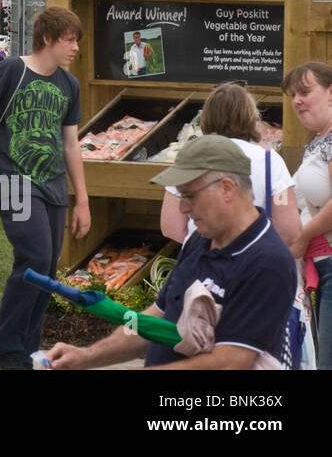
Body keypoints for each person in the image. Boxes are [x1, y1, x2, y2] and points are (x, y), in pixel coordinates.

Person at [49, 134, 298, 370]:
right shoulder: (199, 241)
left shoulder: (267, 262)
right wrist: (85, 357)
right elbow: (153, 320)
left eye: (190, 196)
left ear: (227, 188)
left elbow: (230, 361)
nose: (183, 207)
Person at [0, 7, 90, 370]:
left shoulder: (69, 84)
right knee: (35, 256)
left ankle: (28, 348)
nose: (75, 48)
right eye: (69, 40)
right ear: (48, 39)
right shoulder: (12, 70)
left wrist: (82, 198)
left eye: (77, 41)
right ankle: (7, 346)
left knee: (47, 268)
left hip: (53, 185)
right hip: (13, 180)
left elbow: (70, 144)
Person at [159, 82, 299, 246]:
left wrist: (202, 248)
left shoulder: (189, 157)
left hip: (204, 263)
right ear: (251, 117)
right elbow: (290, 232)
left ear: (206, 117)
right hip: (254, 261)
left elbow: (171, 226)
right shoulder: (269, 160)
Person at [282, 61, 332, 367]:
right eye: (292, 94)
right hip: (321, 269)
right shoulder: (315, 144)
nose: (297, 100)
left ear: (331, 93)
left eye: (305, 91)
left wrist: (300, 238)